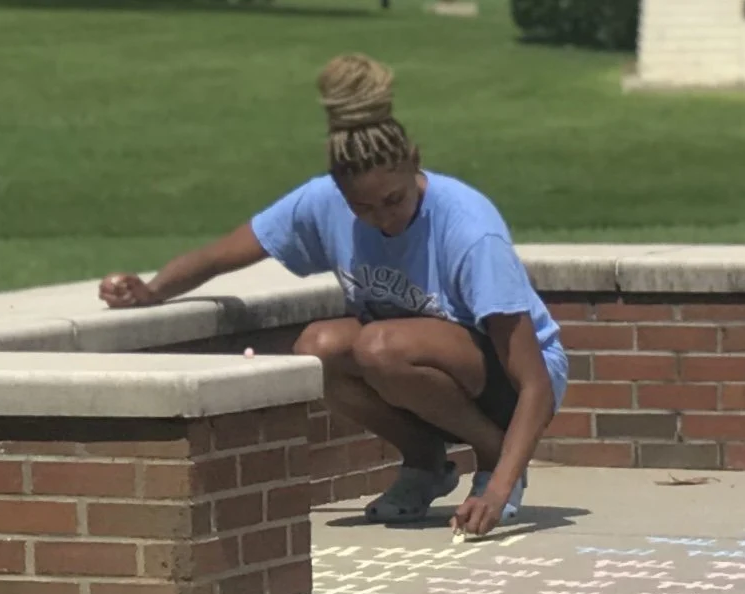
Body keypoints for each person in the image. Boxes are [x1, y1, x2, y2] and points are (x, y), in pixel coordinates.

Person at [100, 56, 565, 535]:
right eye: (361, 207)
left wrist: (499, 487)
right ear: (339, 191)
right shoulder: (321, 201)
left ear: (415, 162)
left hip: (508, 389)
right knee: (314, 350)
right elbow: (225, 253)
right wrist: (151, 291)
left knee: (378, 346)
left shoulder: (469, 229)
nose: (383, 218)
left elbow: (536, 384)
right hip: (419, 372)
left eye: (394, 200)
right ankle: (427, 463)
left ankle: (491, 455)